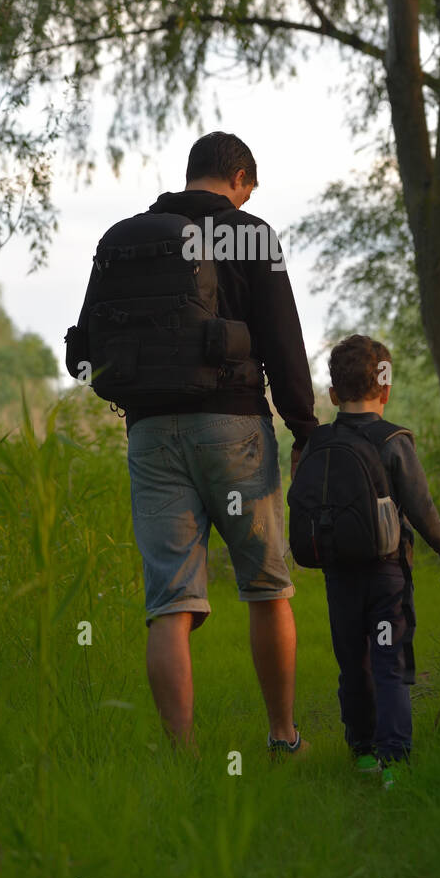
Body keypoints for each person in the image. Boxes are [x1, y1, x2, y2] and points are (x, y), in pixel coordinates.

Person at [123, 132, 318, 753]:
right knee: (267, 587)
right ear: (239, 179)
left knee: (171, 603)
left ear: (189, 175)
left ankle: (180, 758)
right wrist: (304, 425)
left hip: (150, 431)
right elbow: (283, 339)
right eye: (249, 190)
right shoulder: (251, 234)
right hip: (233, 427)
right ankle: (283, 736)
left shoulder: (133, 235)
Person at [312, 334, 440, 785]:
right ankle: (394, 759)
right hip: (387, 575)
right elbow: (420, 507)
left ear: (333, 394)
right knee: (389, 659)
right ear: (386, 390)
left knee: (352, 664)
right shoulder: (395, 441)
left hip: (338, 575)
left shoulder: (320, 443)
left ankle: (361, 751)